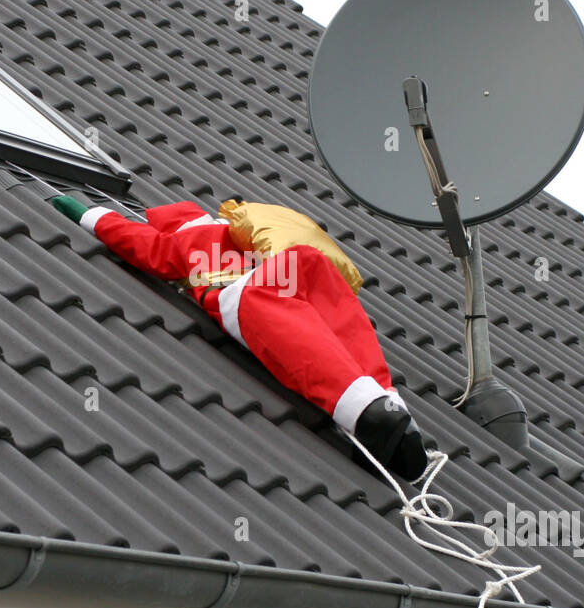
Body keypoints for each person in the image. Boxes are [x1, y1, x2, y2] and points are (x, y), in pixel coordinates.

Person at [51, 195, 430, 483]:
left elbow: (133, 240)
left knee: (293, 337)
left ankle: (362, 411)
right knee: (336, 321)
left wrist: (87, 213)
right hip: (293, 265)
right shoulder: (236, 227)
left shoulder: (182, 243)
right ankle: (384, 400)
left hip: (244, 289)